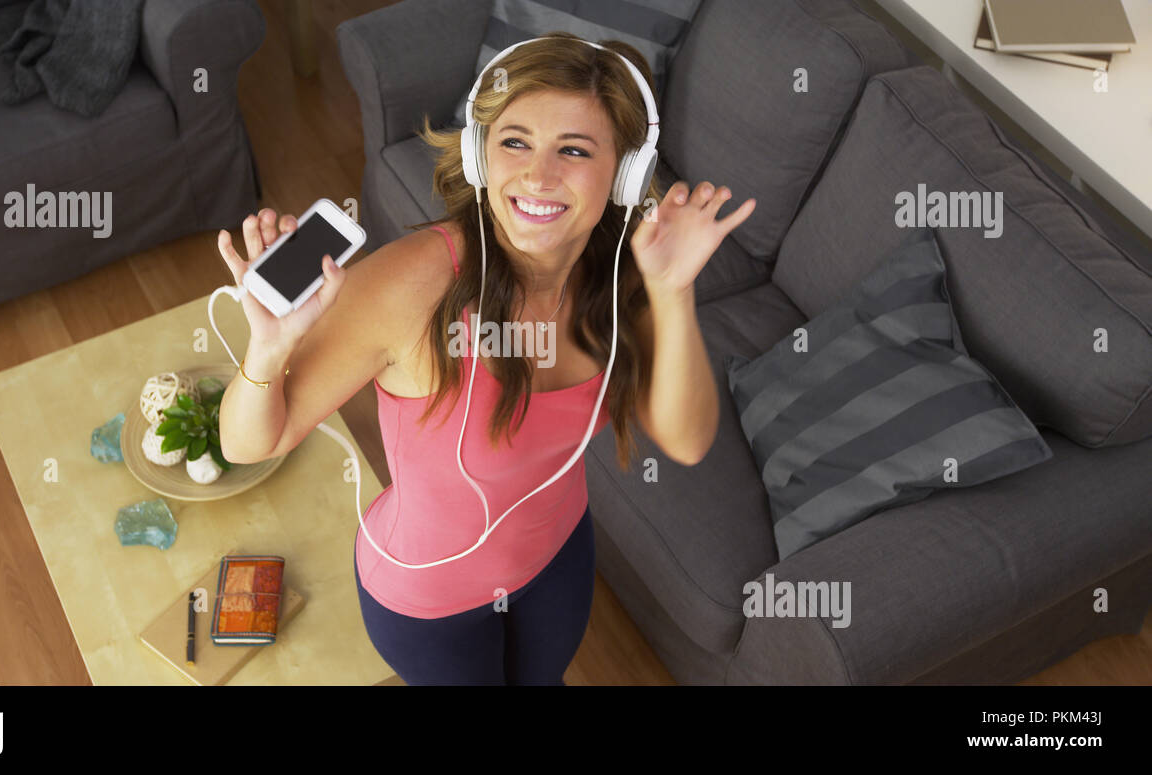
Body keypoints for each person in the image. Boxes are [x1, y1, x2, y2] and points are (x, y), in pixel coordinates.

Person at [214, 32, 755, 685]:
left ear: (625, 170)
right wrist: (267, 351)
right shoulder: (412, 286)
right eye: (515, 141)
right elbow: (250, 443)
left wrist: (673, 293)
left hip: (558, 556)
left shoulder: (622, 273)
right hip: (428, 601)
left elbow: (687, 438)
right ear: (478, 155)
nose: (538, 175)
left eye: (575, 150)